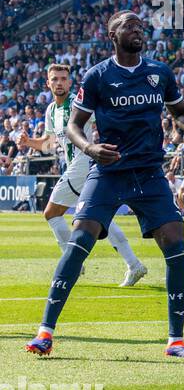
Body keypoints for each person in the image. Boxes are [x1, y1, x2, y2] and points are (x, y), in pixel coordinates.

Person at [24, 11, 184, 359]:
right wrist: (90, 148)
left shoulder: (159, 73)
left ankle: (176, 340)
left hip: (150, 173)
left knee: (177, 244)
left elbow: (180, 111)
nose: (138, 29)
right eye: (129, 26)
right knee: (80, 240)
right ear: (113, 34)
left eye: (140, 26)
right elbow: (74, 126)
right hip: (108, 172)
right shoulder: (97, 77)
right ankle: (45, 332)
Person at [18, 62, 147, 287]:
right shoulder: (51, 111)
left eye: (63, 79)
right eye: (55, 79)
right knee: (99, 218)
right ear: (47, 83)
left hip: (83, 164)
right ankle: (134, 265)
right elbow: (49, 145)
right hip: (76, 166)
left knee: (51, 213)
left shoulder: (78, 104)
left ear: (70, 82)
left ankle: (73, 263)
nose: (59, 83)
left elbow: (105, 119)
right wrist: (29, 142)